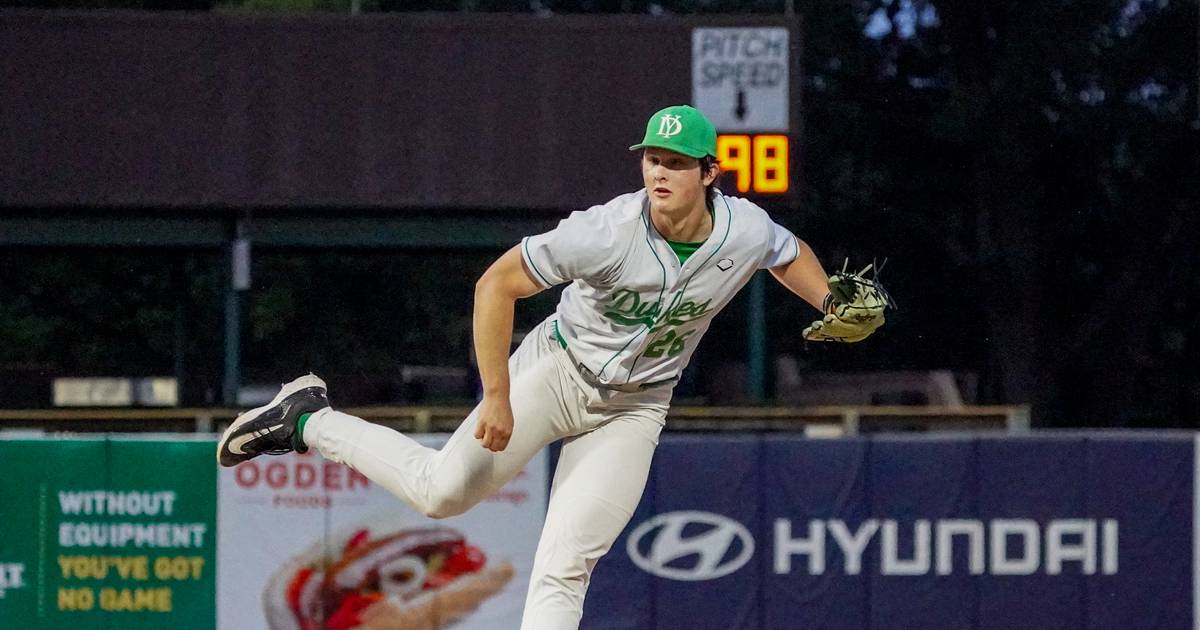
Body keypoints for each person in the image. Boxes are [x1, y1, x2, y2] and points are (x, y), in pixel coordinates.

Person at [217, 104, 886, 630]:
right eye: (653, 157)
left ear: (710, 174)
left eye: (677, 162)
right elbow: (495, 286)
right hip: (558, 370)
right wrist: (499, 394)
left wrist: (827, 295)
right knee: (441, 494)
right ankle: (309, 420)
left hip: (635, 407)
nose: (659, 172)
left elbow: (785, 248)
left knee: (567, 563)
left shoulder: (740, 229)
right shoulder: (604, 231)